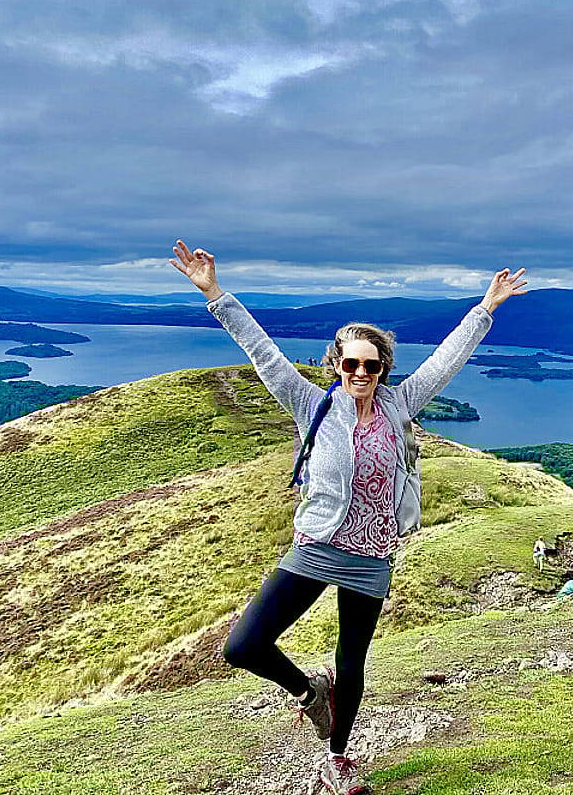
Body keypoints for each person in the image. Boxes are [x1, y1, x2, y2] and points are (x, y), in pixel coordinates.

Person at [169, 239, 527, 795]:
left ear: (383, 367)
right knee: (242, 646)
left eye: (372, 363)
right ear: (335, 364)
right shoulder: (310, 403)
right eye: (351, 362)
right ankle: (309, 691)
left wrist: (487, 306)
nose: (361, 371)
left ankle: (337, 758)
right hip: (316, 545)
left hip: (372, 553)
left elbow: (446, 361)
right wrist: (214, 293)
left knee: (353, 659)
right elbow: (262, 351)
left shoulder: (400, 404)